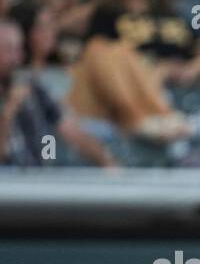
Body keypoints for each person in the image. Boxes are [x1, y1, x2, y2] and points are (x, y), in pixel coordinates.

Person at [0, 16, 115, 165]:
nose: (17, 57)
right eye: (8, 49)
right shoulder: (14, 98)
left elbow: (69, 129)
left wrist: (107, 162)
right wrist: (10, 110)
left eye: (18, 49)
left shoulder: (30, 85)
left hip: (38, 177)